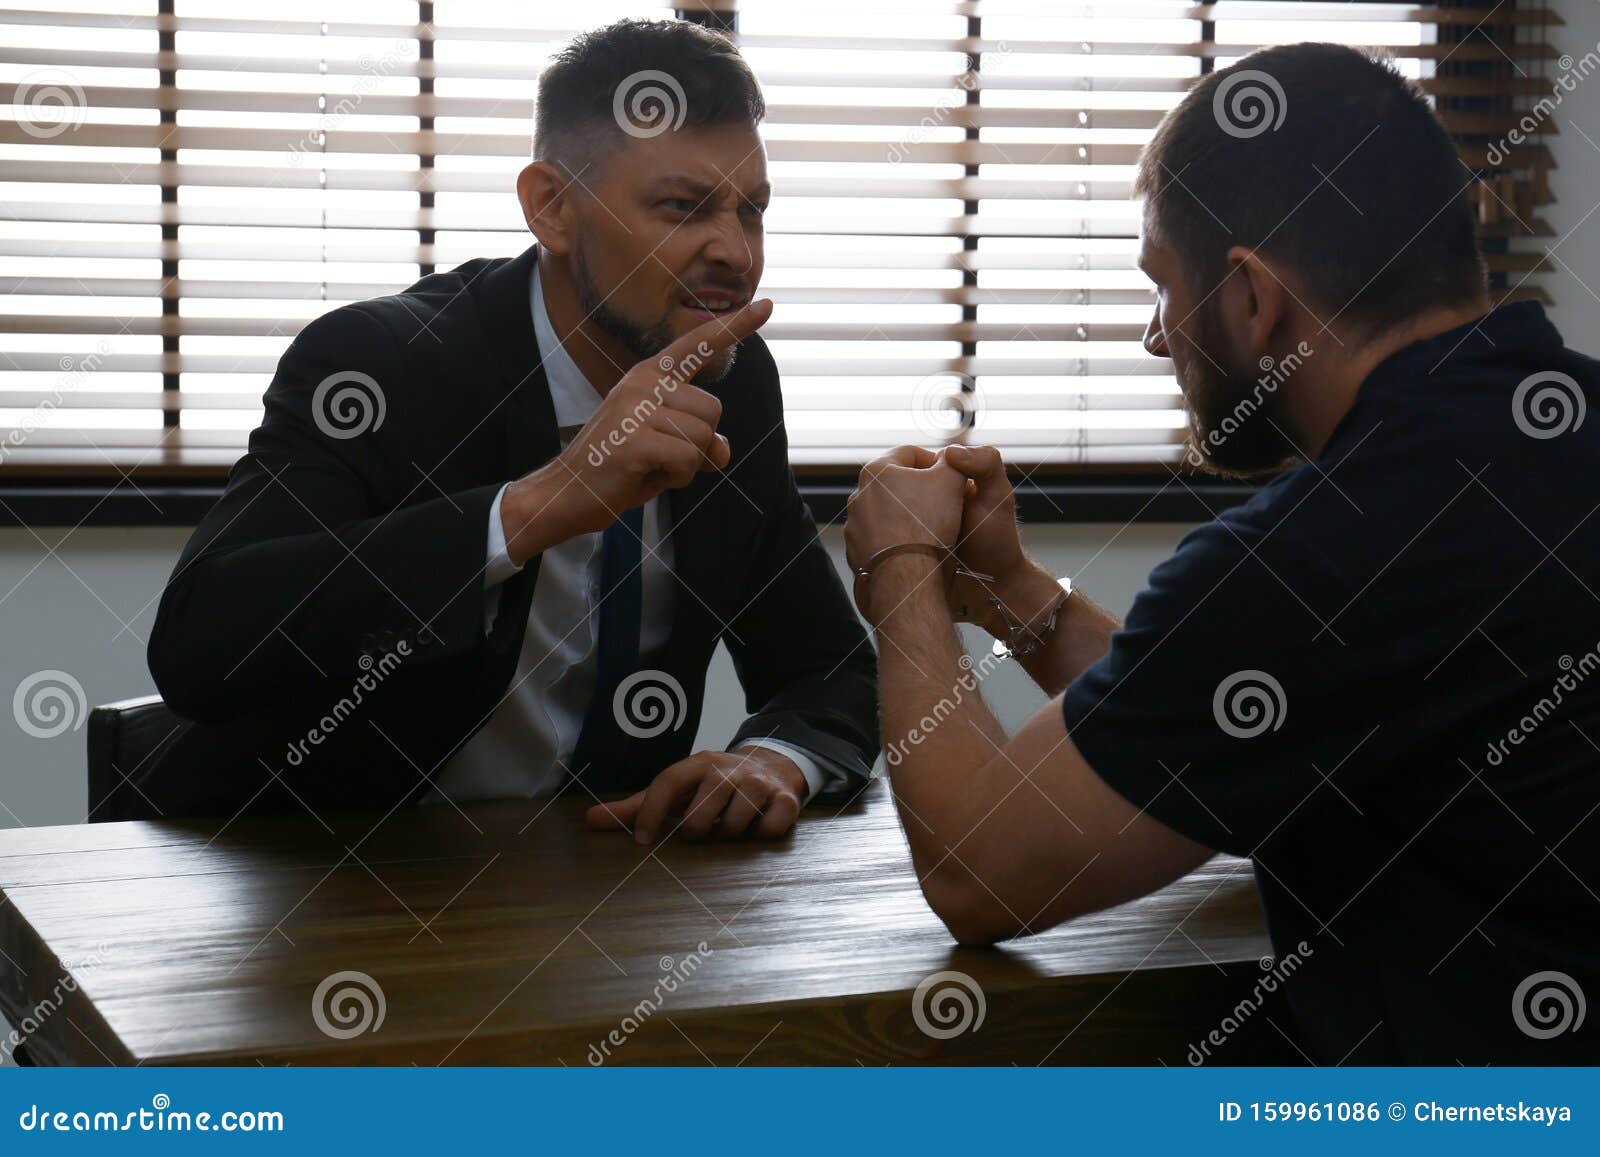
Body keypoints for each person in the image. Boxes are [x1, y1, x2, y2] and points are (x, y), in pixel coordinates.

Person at [845, 43, 1599, 1063]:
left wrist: (900, 570)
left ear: (1251, 296)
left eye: (1161, 282)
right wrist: (1015, 593)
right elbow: (1252, 727)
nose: (1157, 336)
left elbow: (983, 871)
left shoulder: (1325, 545)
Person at [143, 19, 877, 842]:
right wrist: (535, 507)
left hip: (600, 892)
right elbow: (200, 645)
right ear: (551, 208)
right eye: (684, 207)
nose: (735, 253)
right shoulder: (382, 365)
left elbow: (827, 669)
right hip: (330, 885)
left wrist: (775, 758)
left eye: (752, 211)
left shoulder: (733, 387)